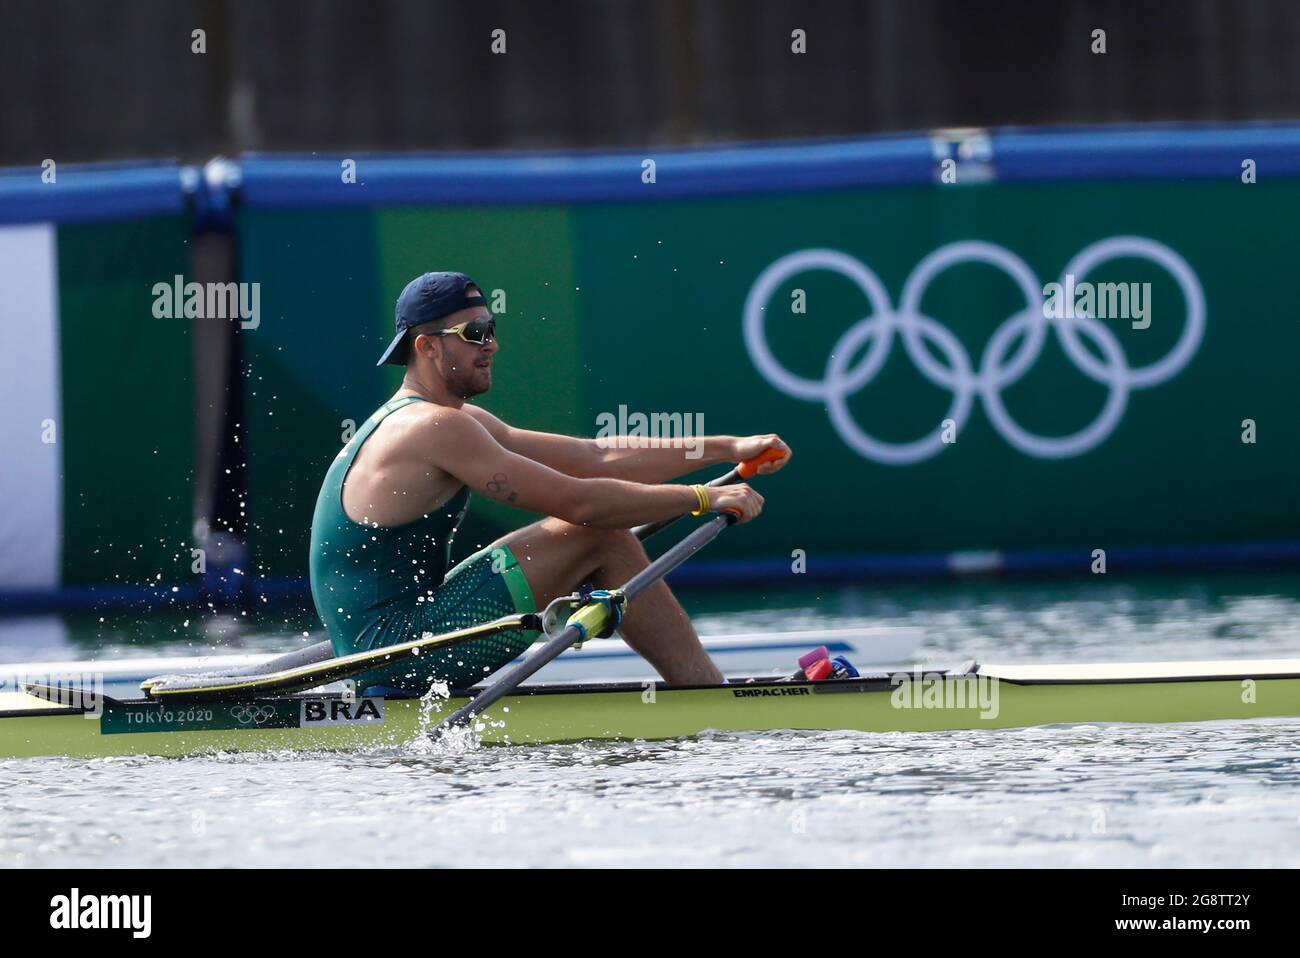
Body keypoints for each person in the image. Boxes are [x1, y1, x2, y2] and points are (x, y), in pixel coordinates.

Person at [309, 271, 791, 693]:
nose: (492, 345)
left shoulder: (448, 419)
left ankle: (703, 689)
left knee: (597, 533)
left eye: (491, 330)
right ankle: (709, 695)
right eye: (474, 333)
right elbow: (580, 502)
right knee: (598, 535)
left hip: (395, 637)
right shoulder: (434, 427)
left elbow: (594, 456)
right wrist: (704, 497)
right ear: (428, 346)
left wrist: (729, 447)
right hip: (399, 655)